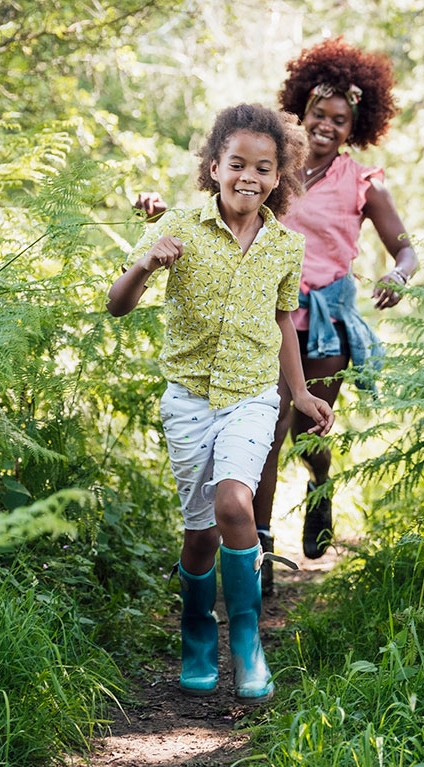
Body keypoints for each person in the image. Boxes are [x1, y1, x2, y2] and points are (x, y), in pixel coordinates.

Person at [137, 39, 418, 596]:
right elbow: (213, 206)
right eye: (319, 115)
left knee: (306, 435)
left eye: (340, 120)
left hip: (327, 320)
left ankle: (320, 483)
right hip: (266, 320)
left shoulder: (364, 182)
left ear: (354, 126)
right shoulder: (270, 167)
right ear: (302, 112)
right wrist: (158, 215)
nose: (327, 127)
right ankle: (259, 552)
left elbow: (405, 249)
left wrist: (398, 275)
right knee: (265, 435)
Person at [109, 103, 334, 702]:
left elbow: (285, 321)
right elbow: (118, 303)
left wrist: (302, 392)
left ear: (278, 178)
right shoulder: (176, 228)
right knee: (201, 534)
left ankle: (247, 642)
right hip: (187, 401)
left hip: (254, 397)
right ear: (214, 167)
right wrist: (146, 263)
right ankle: (196, 635)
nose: (248, 178)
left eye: (264, 169)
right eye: (237, 164)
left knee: (237, 503)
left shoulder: (286, 245)